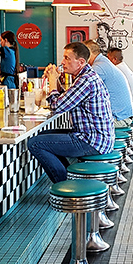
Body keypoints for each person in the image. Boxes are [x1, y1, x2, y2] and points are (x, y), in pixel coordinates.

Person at [27, 42, 114, 183]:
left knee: (35, 143)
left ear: (80, 62)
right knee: (43, 136)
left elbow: (57, 107)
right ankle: (68, 178)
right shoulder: (85, 76)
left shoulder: (86, 80)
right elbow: (66, 98)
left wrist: (53, 80)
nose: (62, 62)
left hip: (92, 140)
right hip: (94, 136)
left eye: (67, 58)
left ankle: (64, 184)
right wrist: (56, 83)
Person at [85, 40, 133, 126]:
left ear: (89, 54)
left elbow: (84, 89)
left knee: (85, 125)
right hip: (124, 115)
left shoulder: (99, 67)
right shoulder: (103, 62)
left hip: (119, 118)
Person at [106, 46, 133, 113]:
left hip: (128, 109)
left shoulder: (116, 70)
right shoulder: (123, 67)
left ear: (114, 59)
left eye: (108, 58)